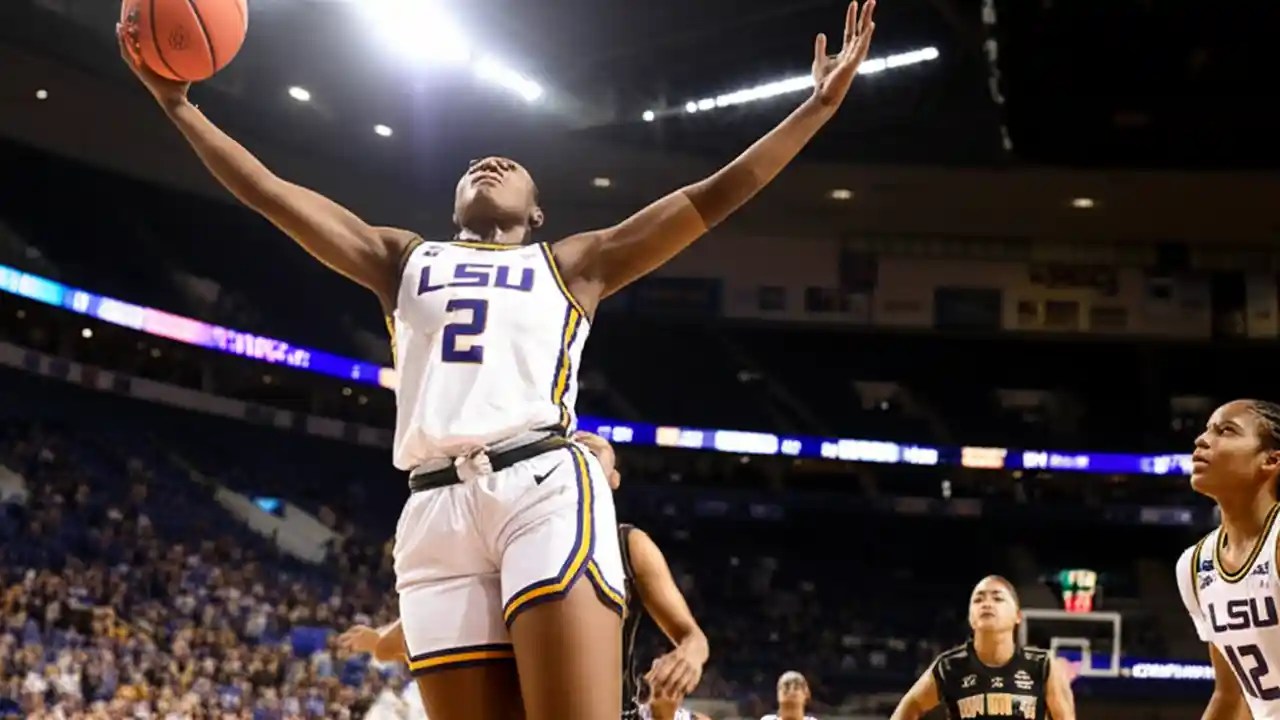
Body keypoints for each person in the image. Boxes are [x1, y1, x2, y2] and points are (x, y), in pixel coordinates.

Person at [117, 2, 876, 717]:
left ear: (536, 212)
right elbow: (273, 195)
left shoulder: (573, 263)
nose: (488, 162)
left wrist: (815, 109)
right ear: (451, 206)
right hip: (431, 508)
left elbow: (712, 196)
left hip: (539, 485)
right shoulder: (401, 257)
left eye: (508, 166)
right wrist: (179, 106)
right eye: (477, 163)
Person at [340, 432, 712, 720]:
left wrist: (690, 656)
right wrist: (378, 642)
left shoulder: (629, 545)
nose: (581, 466)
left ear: (612, 480)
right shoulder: (514, 539)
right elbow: (424, 626)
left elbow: (692, 637)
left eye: (592, 457)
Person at [1176, 399, 1280, 719]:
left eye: (1226, 431)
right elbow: (1230, 696)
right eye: (1206, 429)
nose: (1202, 440)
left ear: (1272, 460)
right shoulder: (1194, 564)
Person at [889, 576, 1075, 720]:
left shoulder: (1042, 665)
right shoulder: (950, 666)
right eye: (978, 599)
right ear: (970, 617)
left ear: (1018, 616)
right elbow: (909, 707)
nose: (987, 604)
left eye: (998, 598)